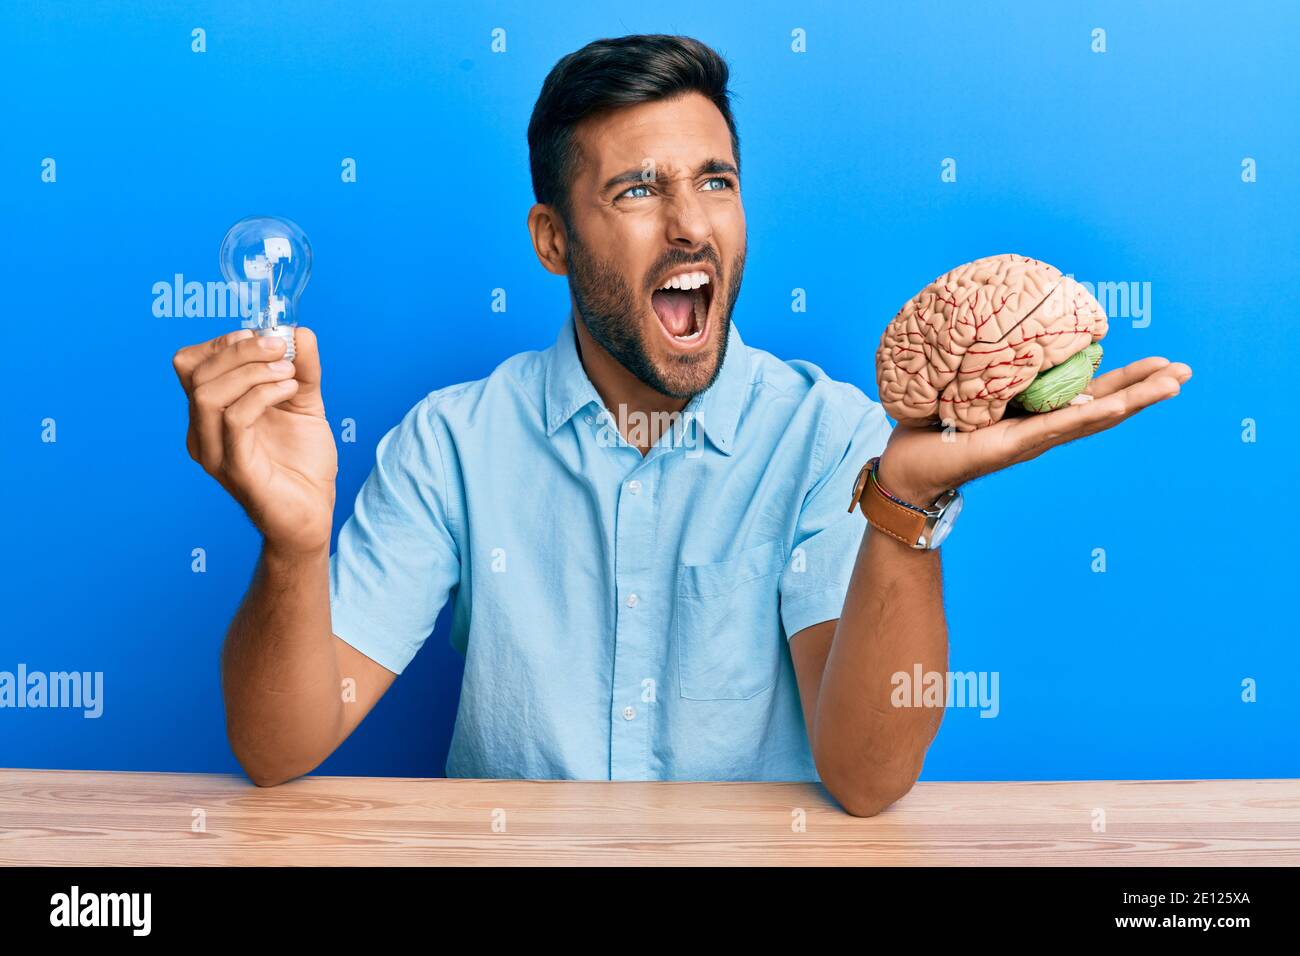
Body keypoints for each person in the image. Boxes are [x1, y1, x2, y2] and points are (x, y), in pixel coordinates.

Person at [171, 35, 1190, 815]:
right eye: (635, 190)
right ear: (552, 241)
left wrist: (903, 501)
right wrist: (293, 549)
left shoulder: (832, 440)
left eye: (715, 180)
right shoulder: (453, 443)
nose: (690, 223)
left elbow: (867, 778)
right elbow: (277, 745)